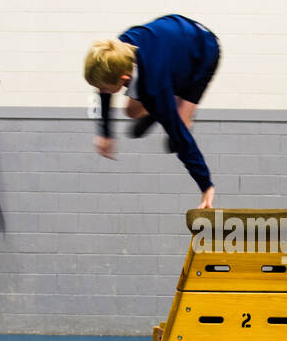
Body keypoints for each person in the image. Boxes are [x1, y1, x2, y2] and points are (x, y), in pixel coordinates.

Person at [84, 15, 220, 209]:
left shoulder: (155, 85)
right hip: (171, 42)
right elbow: (104, 89)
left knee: (178, 129)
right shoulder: (114, 52)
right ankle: (157, 111)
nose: (101, 92)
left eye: (104, 88)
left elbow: (179, 135)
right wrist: (105, 133)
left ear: (124, 77)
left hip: (203, 52)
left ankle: (161, 111)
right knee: (131, 111)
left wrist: (205, 185)